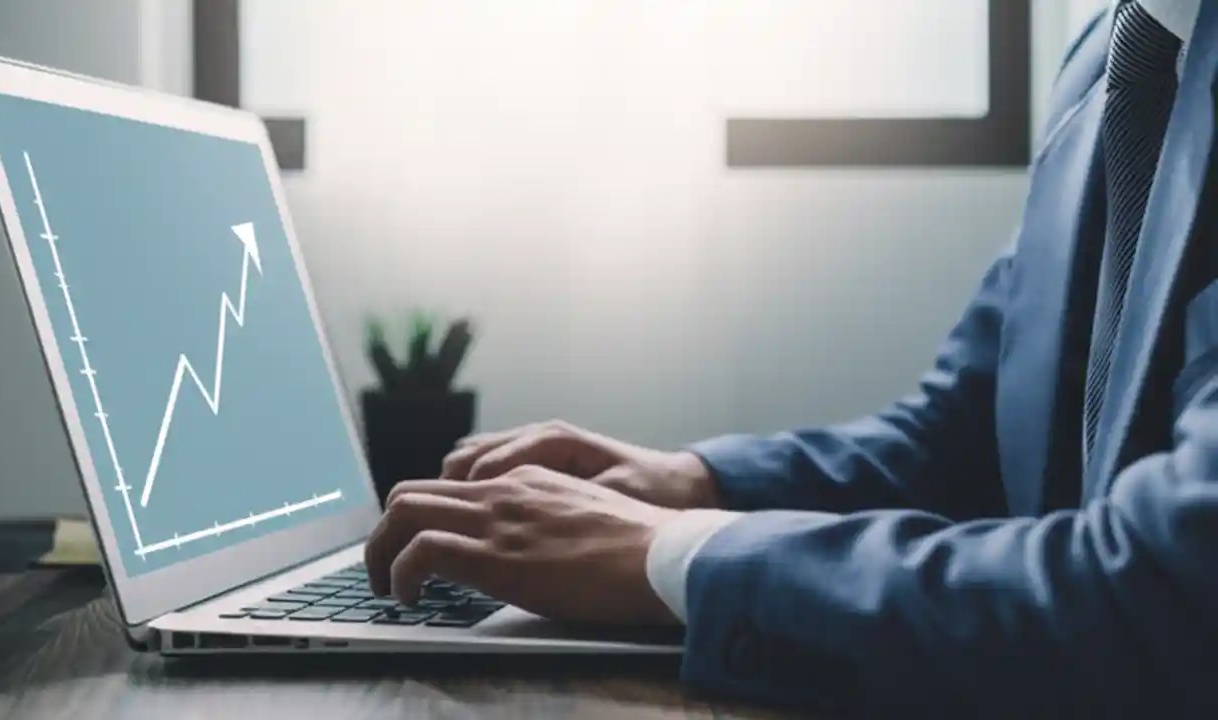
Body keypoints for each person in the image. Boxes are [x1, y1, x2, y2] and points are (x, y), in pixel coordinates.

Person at [365, 1, 1217, 714]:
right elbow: (961, 438)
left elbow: (1161, 595)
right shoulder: (1112, 49)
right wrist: (698, 481)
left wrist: (677, 555)